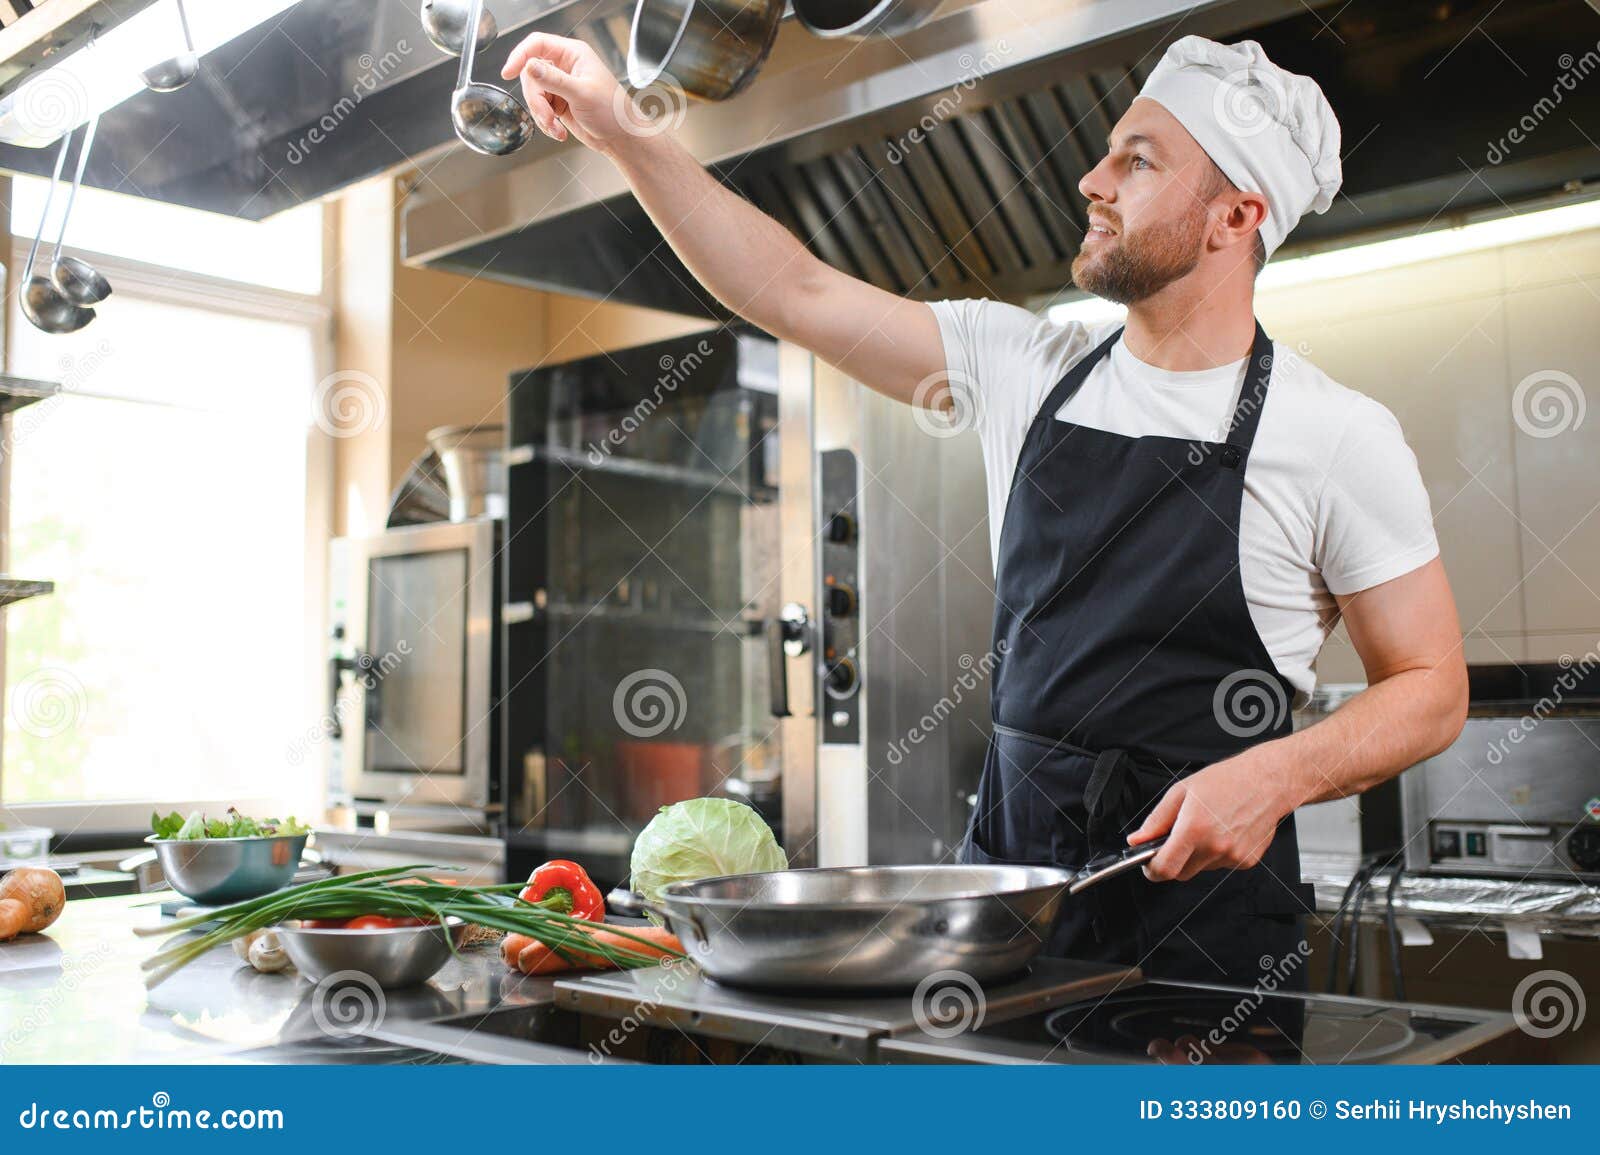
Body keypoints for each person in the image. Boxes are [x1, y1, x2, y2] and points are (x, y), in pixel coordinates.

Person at [496, 32, 1468, 987]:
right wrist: (624, 129)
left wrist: (1277, 775)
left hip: (1207, 947)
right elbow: (789, 290)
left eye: (1137, 161)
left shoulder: (1336, 434)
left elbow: (1430, 684)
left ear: (1233, 215)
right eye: (1105, 151)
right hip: (1009, 916)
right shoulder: (1024, 367)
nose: (1091, 179)